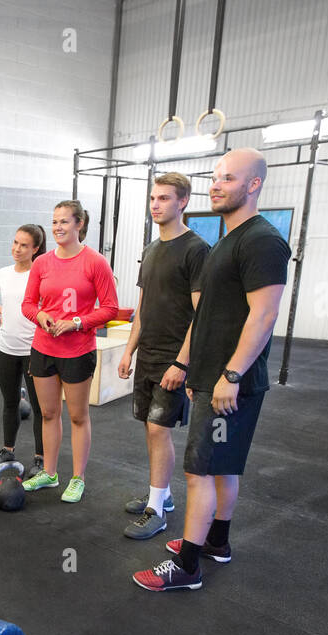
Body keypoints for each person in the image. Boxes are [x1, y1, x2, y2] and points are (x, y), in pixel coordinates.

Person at [133, 148, 291, 592]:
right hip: (212, 378)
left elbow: (264, 315)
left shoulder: (262, 241)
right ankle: (215, 541)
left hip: (231, 382)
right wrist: (193, 370)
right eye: (215, 177)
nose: (216, 184)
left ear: (254, 185)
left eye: (228, 178)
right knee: (222, 467)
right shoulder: (226, 240)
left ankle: (186, 566)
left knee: (199, 470)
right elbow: (212, 316)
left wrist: (232, 375)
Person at [117, 173, 209, 540]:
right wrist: (128, 351)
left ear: (183, 201)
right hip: (148, 355)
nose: (156, 204)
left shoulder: (196, 249)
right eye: (153, 198)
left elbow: (201, 313)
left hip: (174, 357)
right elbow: (143, 307)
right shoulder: (152, 249)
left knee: (159, 429)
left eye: (165, 198)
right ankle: (162, 494)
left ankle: (157, 510)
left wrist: (182, 363)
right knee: (150, 427)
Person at [19, 200, 119, 502]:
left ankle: (78, 477)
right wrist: (41, 317)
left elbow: (110, 308)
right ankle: (49, 473)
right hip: (43, 348)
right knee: (48, 413)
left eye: (64, 221)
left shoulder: (95, 262)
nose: (58, 227)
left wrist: (77, 322)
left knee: (77, 416)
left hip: (77, 350)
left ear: (79, 224)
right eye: (54, 222)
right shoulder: (41, 263)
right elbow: (27, 304)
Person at [0, 224, 47, 477]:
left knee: (40, 409)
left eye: (24, 245)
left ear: (35, 249)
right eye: (15, 243)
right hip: (6, 349)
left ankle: (41, 458)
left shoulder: (41, 275)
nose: (17, 249)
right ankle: (8, 449)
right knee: (10, 402)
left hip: (34, 350)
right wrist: (3, 311)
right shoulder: (3, 273)